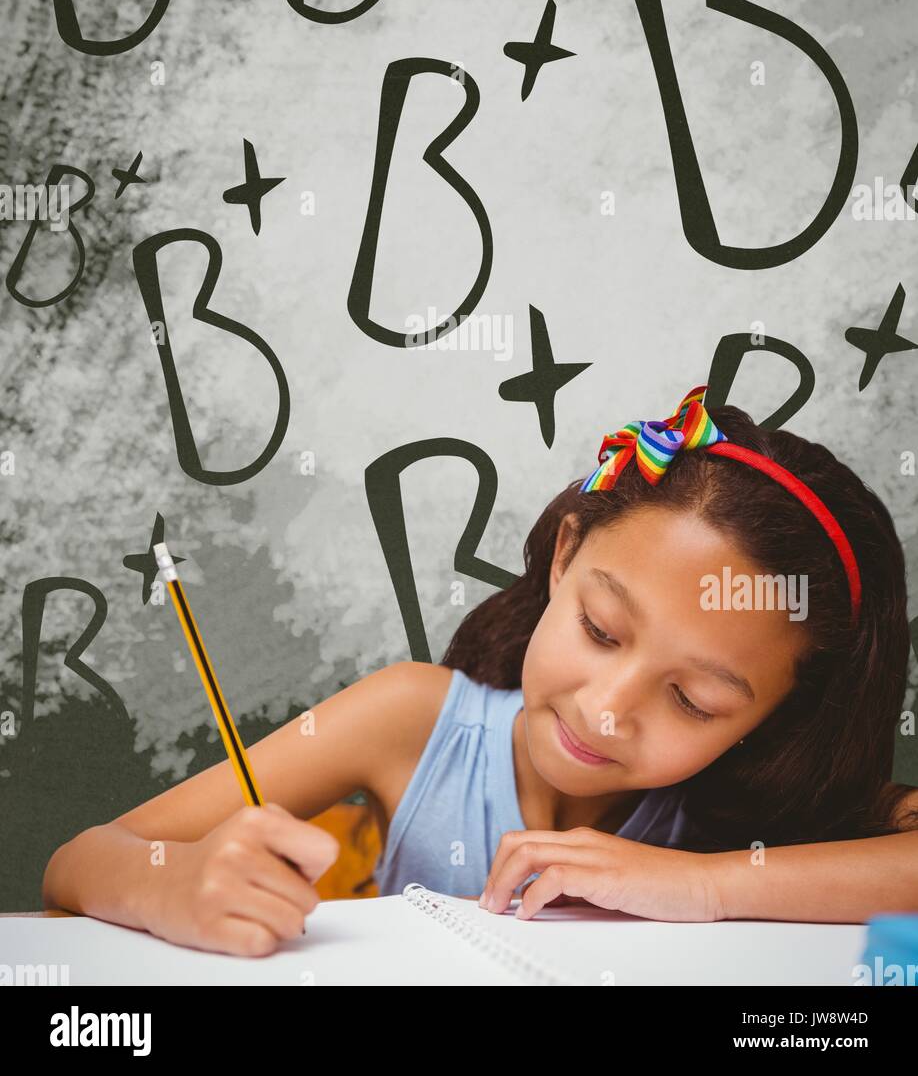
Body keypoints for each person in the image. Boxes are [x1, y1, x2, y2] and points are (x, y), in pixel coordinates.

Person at [43, 385, 918, 954]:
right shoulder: (413, 720)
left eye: (694, 700)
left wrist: (702, 887)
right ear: (566, 556)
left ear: (779, 718)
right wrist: (174, 882)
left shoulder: (770, 807)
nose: (606, 711)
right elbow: (82, 860)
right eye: (603, 630)